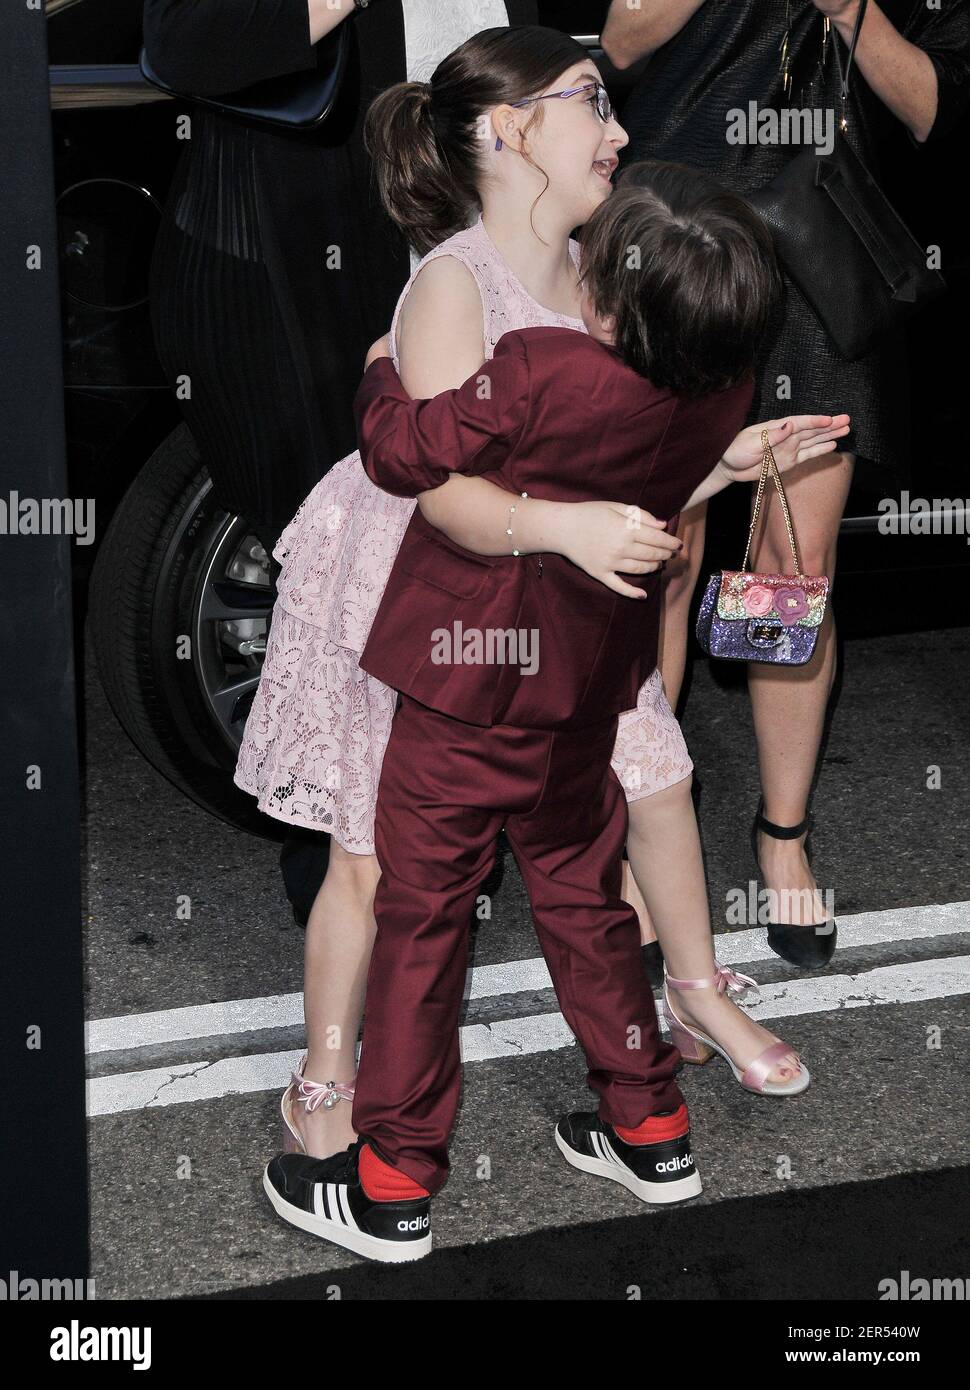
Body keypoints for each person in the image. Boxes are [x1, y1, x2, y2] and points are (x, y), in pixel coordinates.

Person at [238, 29, 834, 1165]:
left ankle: (685, 995)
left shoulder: (603, 260)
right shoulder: (453, 283)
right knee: (377, 859)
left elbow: (606, 439)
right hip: (427, 599)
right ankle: (327, 1070)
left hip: (563, 611)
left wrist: (722, 459)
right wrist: (566, 524)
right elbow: (443, 498)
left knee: (649, 781)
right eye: (591, 106)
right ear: (508, 131)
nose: (618, 132)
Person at [142, 0, 539, 928]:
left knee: (458, 568)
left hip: (480, 263)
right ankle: (345, 870)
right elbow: (183, 42)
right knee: (338, 578)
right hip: (294, 282)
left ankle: (441, 844)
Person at [601, 0, 970, 967]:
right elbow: (624, 38)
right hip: (672, 249)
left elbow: (936, 106)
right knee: (662, 562)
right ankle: (640, 838)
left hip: (811, 257)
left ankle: (783, 840)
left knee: (787, 576)